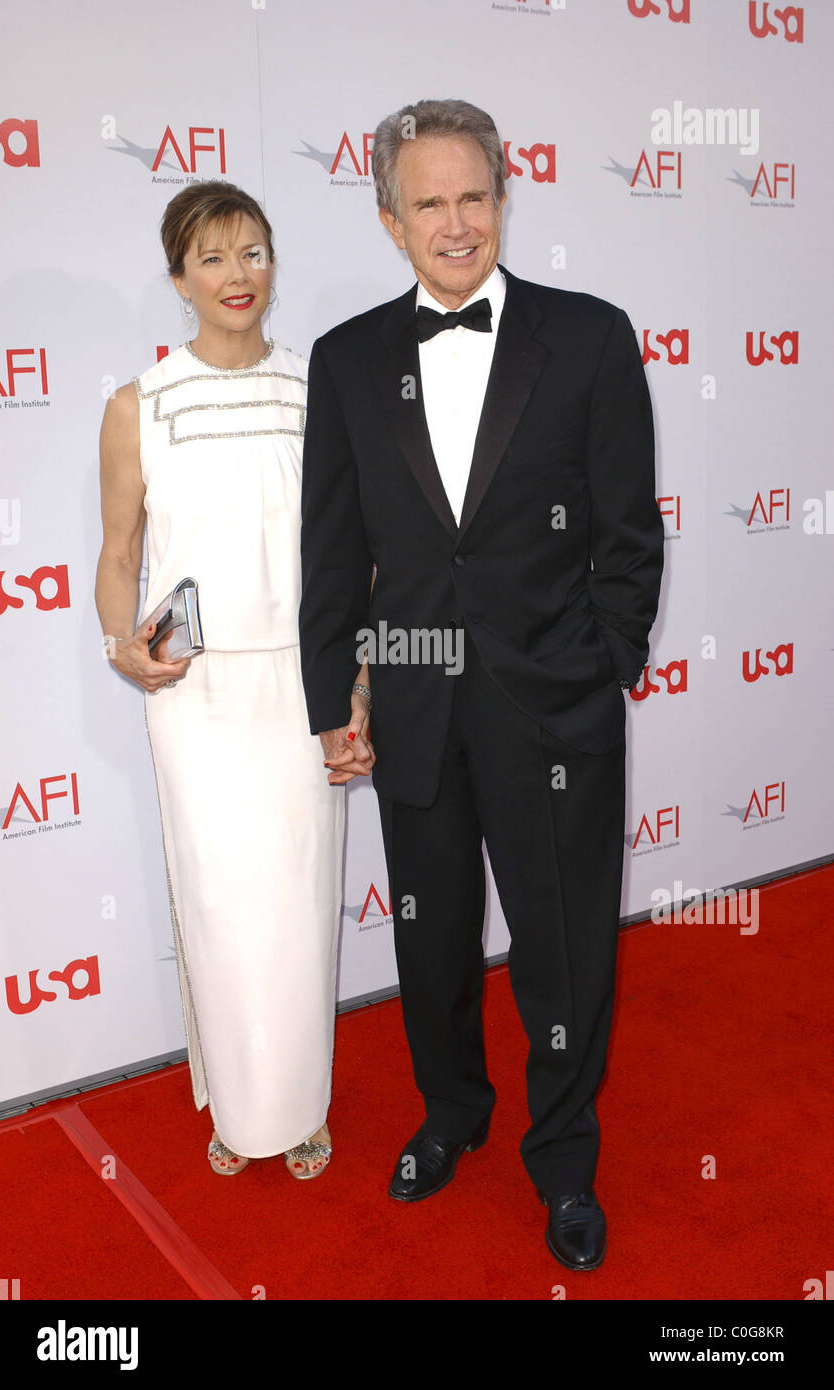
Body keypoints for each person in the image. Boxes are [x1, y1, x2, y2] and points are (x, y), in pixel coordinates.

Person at [298, 100, 663, 1265]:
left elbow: (627, 532)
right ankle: (450, 1111)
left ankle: (562, 1160)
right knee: (431, 934)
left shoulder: (591, 336)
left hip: (555, 698)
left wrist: (604, 662)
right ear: (388, 220)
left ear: (503, 198)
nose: (456, 223)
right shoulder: (347, 358)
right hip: (412, 698)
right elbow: (331, 547)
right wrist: (330, 697)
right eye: (429, 203)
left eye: (474, 196)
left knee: (562, 948)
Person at [95, 181, 355, 1180]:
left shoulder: (316, 390)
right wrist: (123, 643)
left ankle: (301, 1105)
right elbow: (119, 555)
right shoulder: (139, 404)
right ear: (178, 278)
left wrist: (357, 687)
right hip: (194, 698)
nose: (237, 274)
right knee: (221, 902)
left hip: (301, 685)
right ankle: (242, 1110)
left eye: (253, 252)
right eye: (212, 256)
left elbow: (352, 558)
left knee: (295, 901)